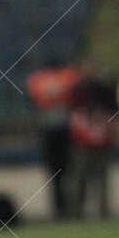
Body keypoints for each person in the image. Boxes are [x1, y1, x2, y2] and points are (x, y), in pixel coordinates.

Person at [26, 56, 79, 219]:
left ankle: (64, 208)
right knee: (62, 172)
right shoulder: (67, 78)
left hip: (58, 131)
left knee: (60, 172)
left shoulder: (39, 80)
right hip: (57, 131)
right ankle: (65, 208)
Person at [66, 67, 116, 219]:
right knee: (81, 177)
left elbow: (114, 112)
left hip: (100, 142)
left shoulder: (105, 92)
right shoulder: (79, 92)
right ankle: (76, 212)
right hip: (83, 142)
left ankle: (102, 211)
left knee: (100, 178)